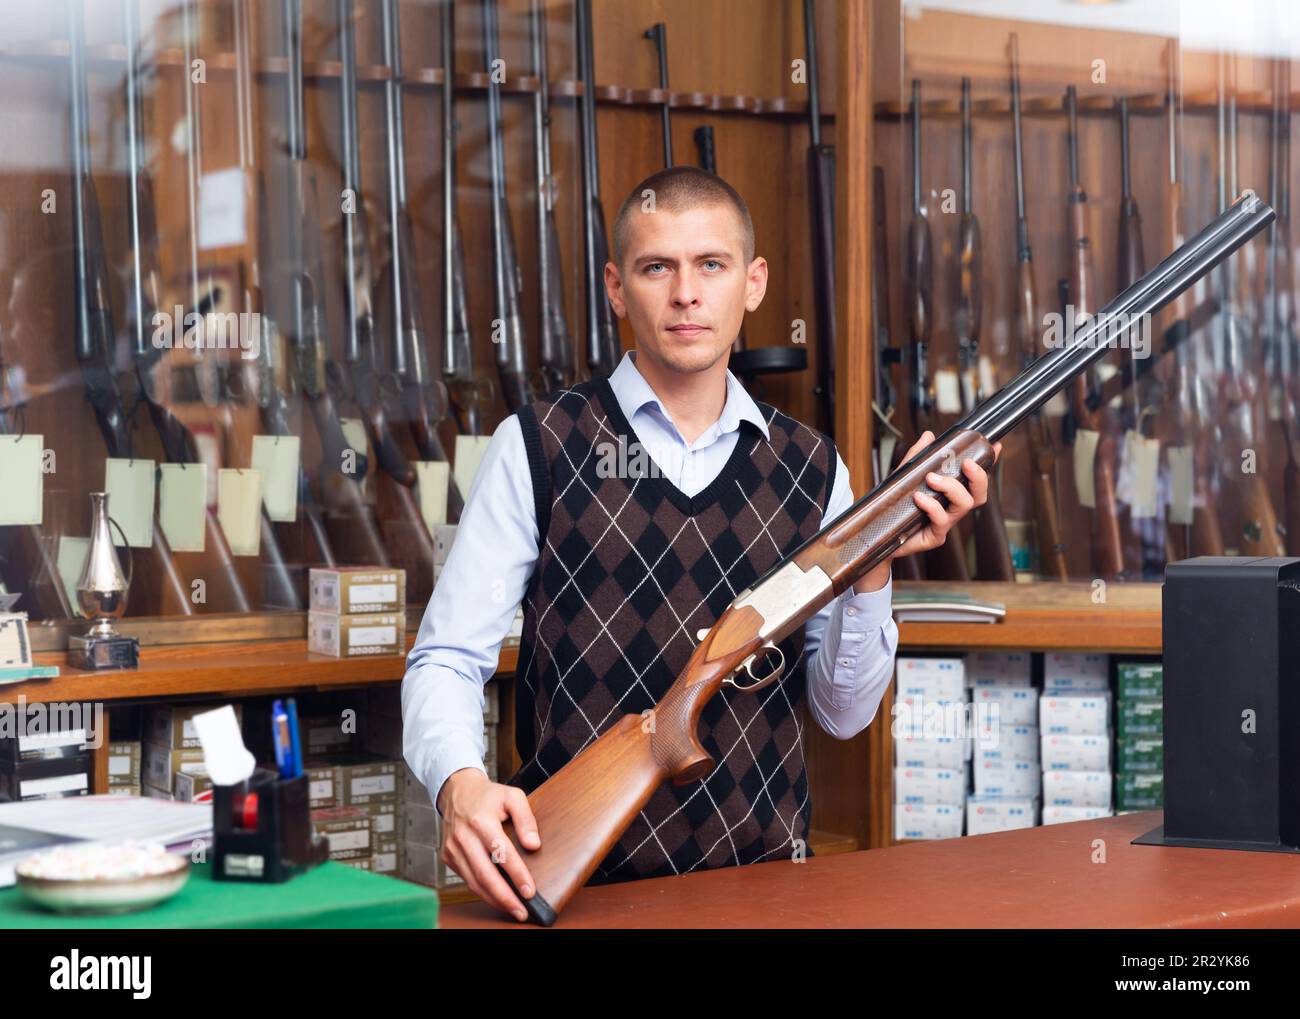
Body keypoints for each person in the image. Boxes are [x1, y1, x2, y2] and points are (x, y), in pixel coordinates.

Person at [402, 165, 998, 922]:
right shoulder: (541, 446)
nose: (686, 293)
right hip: (582, 899)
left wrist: (875, 560)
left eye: (711, 265)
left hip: (769, 895)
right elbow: (447, 658)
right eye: (659, 267)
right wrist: (460, 785)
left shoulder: (813, 469)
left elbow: (843, 714)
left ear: (752, 283)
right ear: (618, 288)